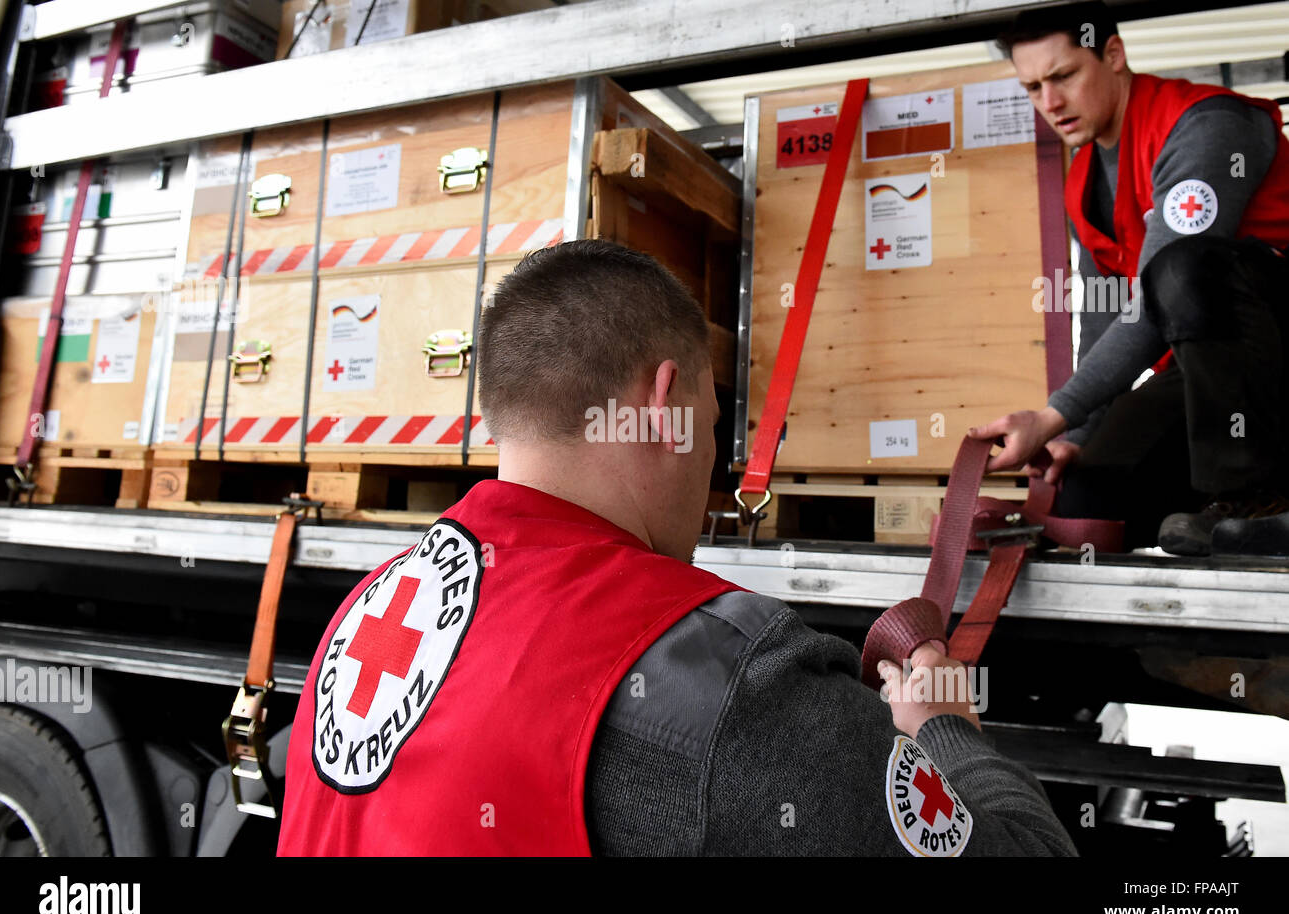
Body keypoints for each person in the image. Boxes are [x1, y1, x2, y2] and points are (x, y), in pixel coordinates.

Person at [277, 240, 1075, 856]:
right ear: (664, 407)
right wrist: (940, 732)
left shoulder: (364, 614)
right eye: (712, 421)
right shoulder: (724, 676)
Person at [970, 1, 1289, 555]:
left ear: (1113, 55)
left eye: (1063, 76)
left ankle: (1257, 500)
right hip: (1209, 380)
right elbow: (1102, 315)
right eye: (1032, 87)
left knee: (1184, 265)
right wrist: (1075, 436)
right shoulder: (1084, 181)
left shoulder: (1208, 127)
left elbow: (1160, 298)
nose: (1050, 102)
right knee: (1090, 504)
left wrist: (1050, 416)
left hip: (1274, 354)